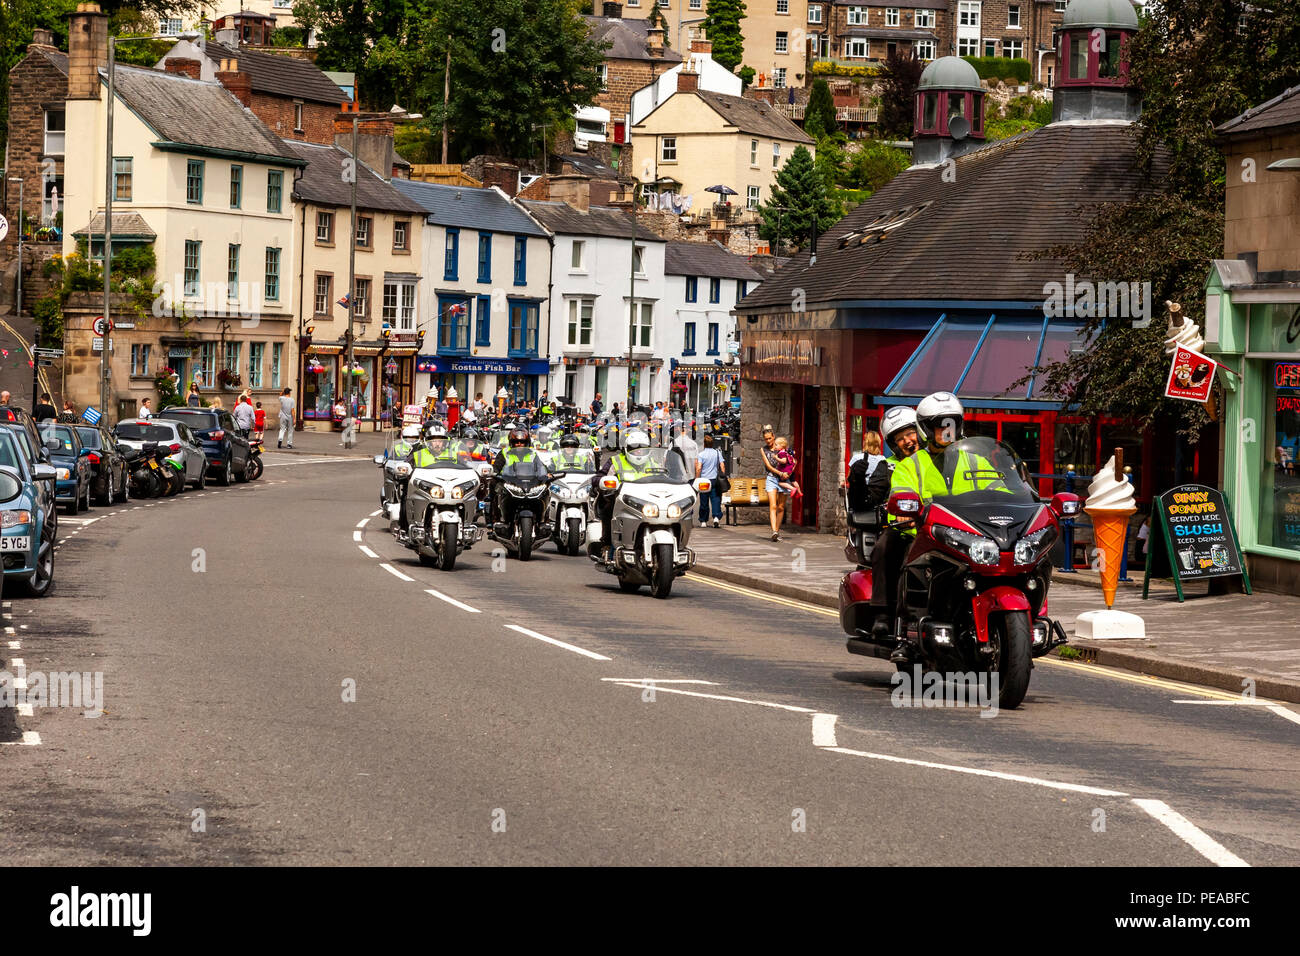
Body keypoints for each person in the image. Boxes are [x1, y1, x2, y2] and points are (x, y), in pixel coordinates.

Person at [884, 391, 1001, 662]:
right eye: (939, 425)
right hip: (929, 536)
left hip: (972, 538)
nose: (946, 431)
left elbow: (1000, 490)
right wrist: (904, 513)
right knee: (911, 565)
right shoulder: (910, 466)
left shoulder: (976, 461)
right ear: (925, 428)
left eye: (951, 423)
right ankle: (905, 635)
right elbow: (900, 494)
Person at [758, 425, 789, 542]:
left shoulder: (780, 448)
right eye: (766, 439)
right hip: (771, 478)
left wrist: (788, 473)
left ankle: (777, 530)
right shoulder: (763, 450)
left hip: (783, 480)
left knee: (781, 507)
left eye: (770, 438)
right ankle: (774, 531)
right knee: (773, 505)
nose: (768, 441)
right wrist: (780, 473)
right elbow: (769, 466)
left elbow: (792, 460)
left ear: (773, 437)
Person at [696, 433, 725, 527]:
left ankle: (703, 521)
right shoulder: (717, 453)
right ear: (712, 444)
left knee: (704, 500)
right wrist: (723, 475)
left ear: (704, 444)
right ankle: (716, 517)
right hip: (714, 480)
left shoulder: (701, 455)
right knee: (716, 499)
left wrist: (697, 478)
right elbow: (722, 466)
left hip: (704, 480)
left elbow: (699, 468)